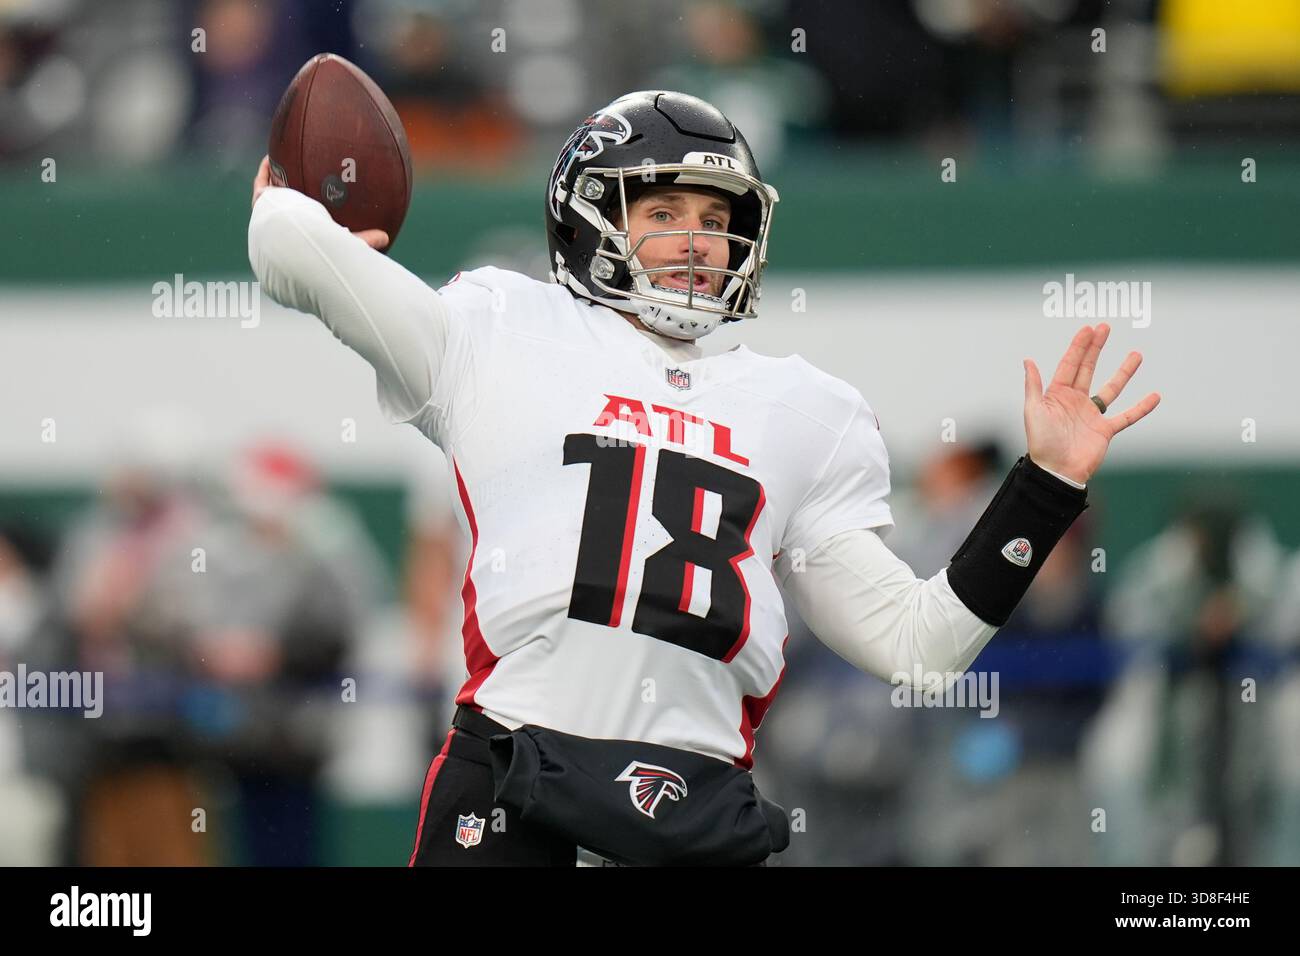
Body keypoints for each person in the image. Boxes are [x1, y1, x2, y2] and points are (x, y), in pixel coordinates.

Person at [247, 90, 1159, 866]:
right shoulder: (502, 327)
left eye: (717, 220)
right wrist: (298, 213)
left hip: (697, 801)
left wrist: (1043, 487)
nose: (696, 241)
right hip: (518, 773)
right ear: (592, 218)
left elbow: (921, 649)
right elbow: (287, 242)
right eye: (664, 213)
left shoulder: (803, 409)